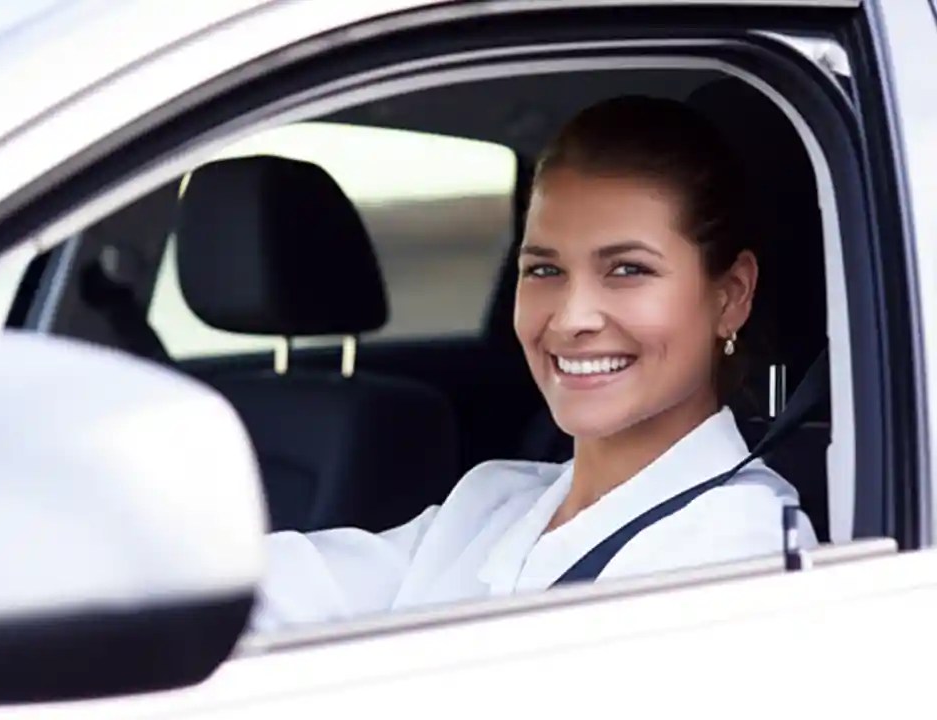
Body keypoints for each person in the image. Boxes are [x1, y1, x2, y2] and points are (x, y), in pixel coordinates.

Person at [249, 96, 819, 632]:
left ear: (731, 295)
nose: (572, 318)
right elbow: (288, 587)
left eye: (627, 270)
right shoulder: (495, 498)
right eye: (544, 271)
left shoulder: (744, 548)